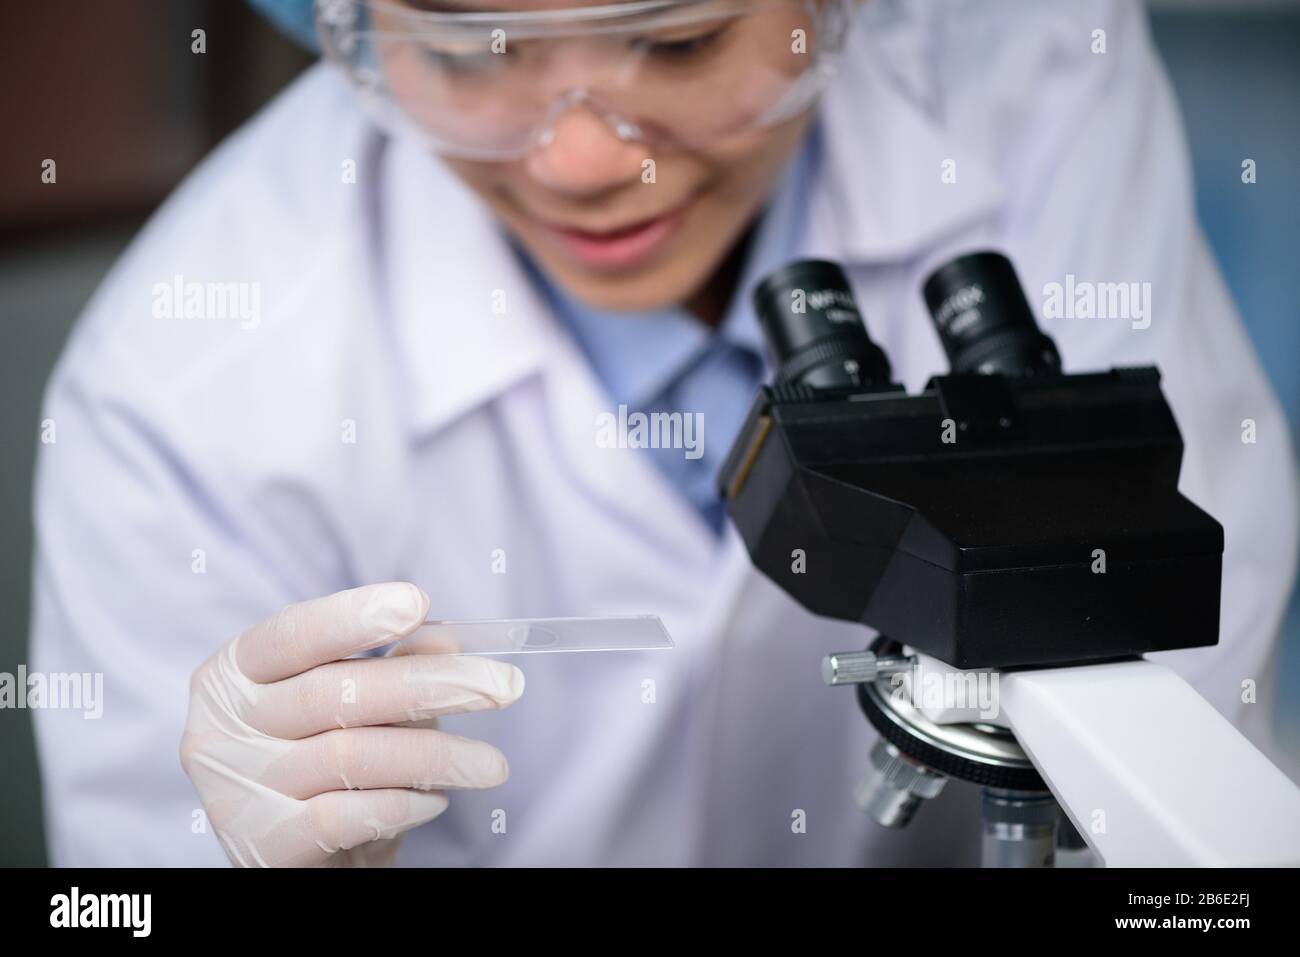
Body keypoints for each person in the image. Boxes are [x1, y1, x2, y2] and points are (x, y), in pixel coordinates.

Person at [30, 0, 1298, 866]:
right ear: (350, 27)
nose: (583, 158)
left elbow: (1187, 719)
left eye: (680, 39)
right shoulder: (181, 378)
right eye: (471, 52)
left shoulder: (1032, 79)